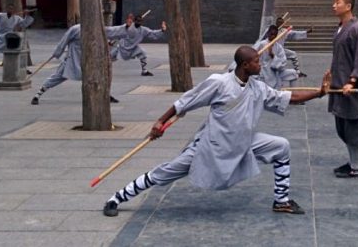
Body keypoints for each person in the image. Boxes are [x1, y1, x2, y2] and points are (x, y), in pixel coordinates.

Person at [102, 46, 332, 217]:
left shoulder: (258, 87)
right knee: (166, 172)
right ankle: (117, 198)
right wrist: (160, 122)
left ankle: (281, 201)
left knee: (281, 147)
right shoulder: (219, 83)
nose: (260, 65)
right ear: (245, 65)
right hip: (211, 146)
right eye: (256, 62)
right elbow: (185, 102)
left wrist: (320, 93)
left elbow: (288, 97)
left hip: (244, 143)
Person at [328, 0, 358, 179]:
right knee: (343, 125)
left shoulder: (357, 29)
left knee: (354, 126)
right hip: (339, 84)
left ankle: (356, 166)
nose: (334, 5)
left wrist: (352, 80)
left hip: (350, 87)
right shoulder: (341, 28)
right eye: (334, 2)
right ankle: (352, 162)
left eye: (337, 2)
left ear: (348, 6)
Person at [31, 24, 119, 105]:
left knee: (99, 77)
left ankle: (106, 95)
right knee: (58, 76)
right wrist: (57, 52)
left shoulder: (97, 28)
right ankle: (38, 94)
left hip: (90, 59)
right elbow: (64, 41)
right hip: (73, 57)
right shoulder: (75, 29)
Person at [253, 25, 300, 89]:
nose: (273, 36)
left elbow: (283, 64)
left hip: (275, 72)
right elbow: (251, 55)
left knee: (293, 73)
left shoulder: (278, 47)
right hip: (262, 72)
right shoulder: (261, 44)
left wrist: (273, 56)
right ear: (268, 33)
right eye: (271, 34)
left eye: (275, 35)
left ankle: (293, 93)